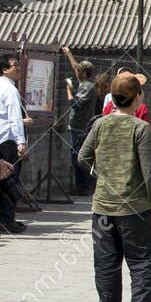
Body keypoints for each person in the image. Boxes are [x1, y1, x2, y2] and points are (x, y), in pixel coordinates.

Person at [78, 73, 151, 302]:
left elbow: (83, 157)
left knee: (106, 263)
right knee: (143, 261)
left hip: (102, 206)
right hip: (134, 208)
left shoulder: (100, 124)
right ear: (137, 96)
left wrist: (102, 174)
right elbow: (149, 170)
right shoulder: (140, 128)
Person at [0, 53, 30, 234]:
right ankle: (7, 219)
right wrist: (21, 141)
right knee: (10, 180)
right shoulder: (10, 90)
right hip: (7, 139)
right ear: (4, 69)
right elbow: (14, 118)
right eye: (14, 65)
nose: (18, 68)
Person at [62, 51, 99, 194]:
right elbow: (76, 67)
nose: (75, 72)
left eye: (78, 71)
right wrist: (68, 53)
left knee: (79, 157)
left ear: (83, 74)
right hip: (80, 126)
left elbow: (76, 104)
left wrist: (69, 90)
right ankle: (83, 185)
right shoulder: (85, 83)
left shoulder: (86, 87)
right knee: (77, 156)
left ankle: (86, 185)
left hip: (80, 127)